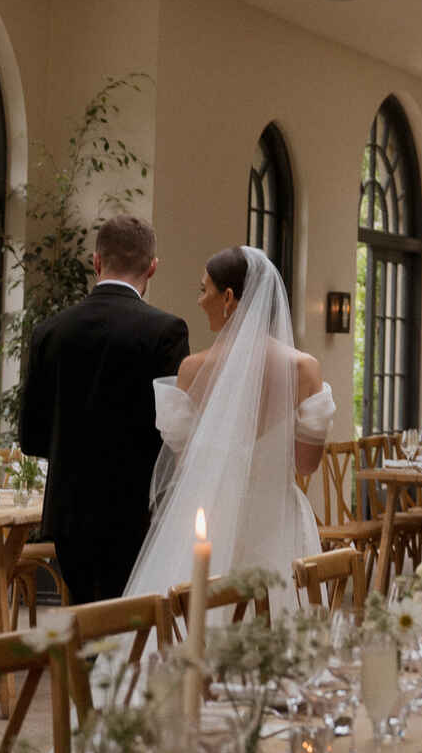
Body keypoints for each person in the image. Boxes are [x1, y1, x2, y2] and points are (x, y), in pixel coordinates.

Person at [124, 245, 334, 603]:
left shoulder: (194, 369)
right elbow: (306, 464)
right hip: (278, 523)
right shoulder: (304, 369)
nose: (200, 300)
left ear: (230, 298)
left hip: (211, 523)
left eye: (204, 290)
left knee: (199, 624)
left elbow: (188, 462)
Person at [20, 215, 190, 606]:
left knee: (84, 620)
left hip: (69, 511)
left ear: (96, 262)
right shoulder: (166, 331)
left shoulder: (50, 330)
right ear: (152, 267)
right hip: (134, 511)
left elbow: (32, 437)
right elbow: (171, 432)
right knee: (127, 626)